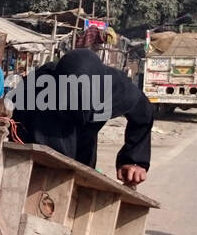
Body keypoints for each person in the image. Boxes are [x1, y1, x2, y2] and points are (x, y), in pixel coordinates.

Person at [14, 47, 153, 187]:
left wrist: (134, 160)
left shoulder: (113, 87)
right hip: (49, 132)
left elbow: (143, 112)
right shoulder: (36, 87)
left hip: (86, 143)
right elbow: (15, 128)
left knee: (82, 182)